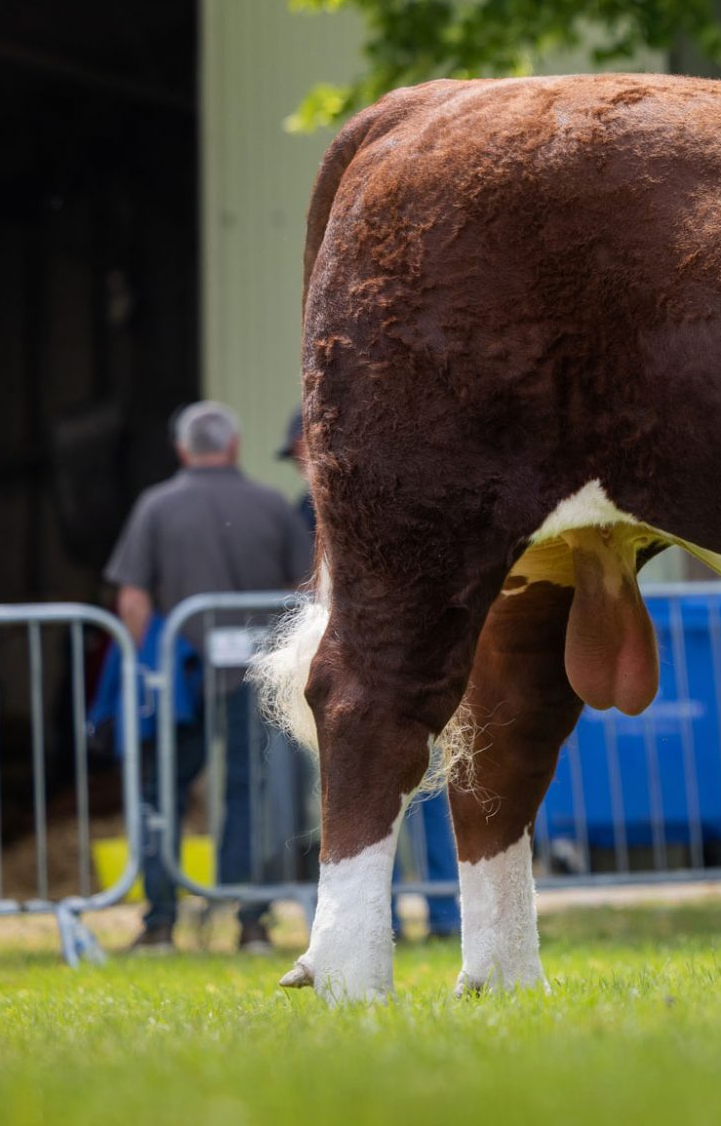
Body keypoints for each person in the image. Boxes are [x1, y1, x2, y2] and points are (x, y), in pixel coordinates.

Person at [106, 402, 313, 952]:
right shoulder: (272, 507)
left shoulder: (156, 507)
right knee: (250, 792)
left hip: (182, 679)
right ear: (235, 446)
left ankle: (160, 922)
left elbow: (132, 599)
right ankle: (249, 920)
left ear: (182, 449)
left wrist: (144, 665)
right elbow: (304, 591)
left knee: (164, 790)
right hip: (257, 676)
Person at [279, 405, 460, 941]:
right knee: (382, 797)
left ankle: (435, 915)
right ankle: (390, 917)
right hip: (382, 666)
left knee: (414, 792)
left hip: (393, 665)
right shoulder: (318, 508)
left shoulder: (371, 500)